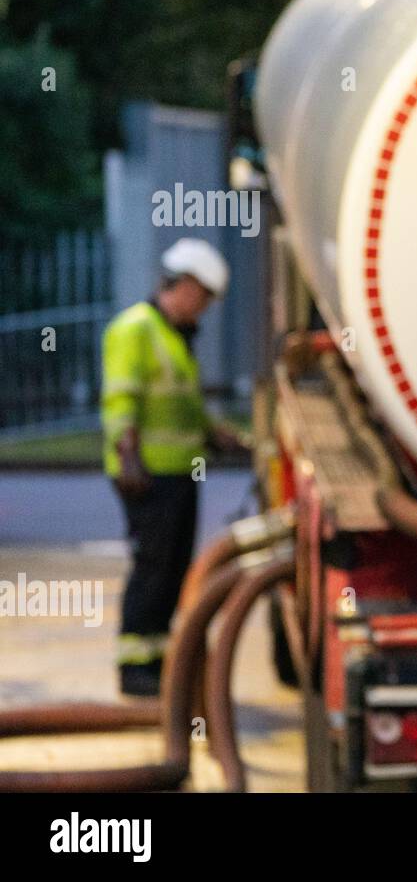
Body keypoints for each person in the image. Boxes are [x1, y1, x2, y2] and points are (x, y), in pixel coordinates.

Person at [100, 238, 247, 697]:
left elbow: (184, 406)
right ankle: (134, 667)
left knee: (174, 568)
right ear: (183, 286)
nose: (202, 310)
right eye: (201, 298)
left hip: (179, 473)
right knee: (153, 566)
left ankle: (160, 659)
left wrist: (218, 435)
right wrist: (128, 459)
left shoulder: (173, 336)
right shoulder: (135, 330)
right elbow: (120, 401)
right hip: (148, 476)